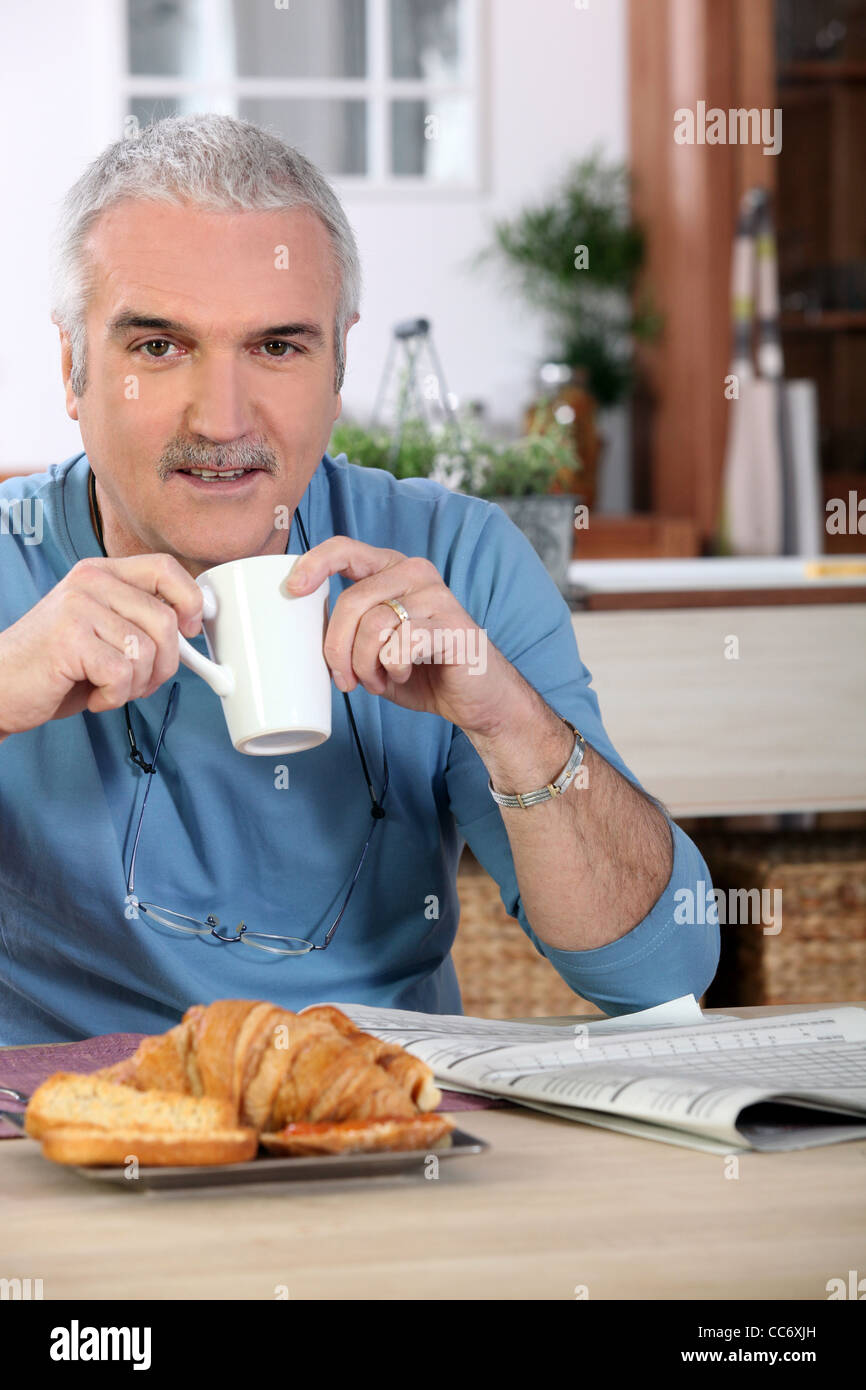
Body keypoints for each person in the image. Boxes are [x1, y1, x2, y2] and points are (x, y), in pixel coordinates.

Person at [0, 115, 718, 1044]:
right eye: (159, 347)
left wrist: (509, 724)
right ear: (71, 367)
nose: (222, 421)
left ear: (339, 368)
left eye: (278, 347)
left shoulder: (453, 556)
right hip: (59, 1146)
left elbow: (659, 974)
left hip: (375, 1139)